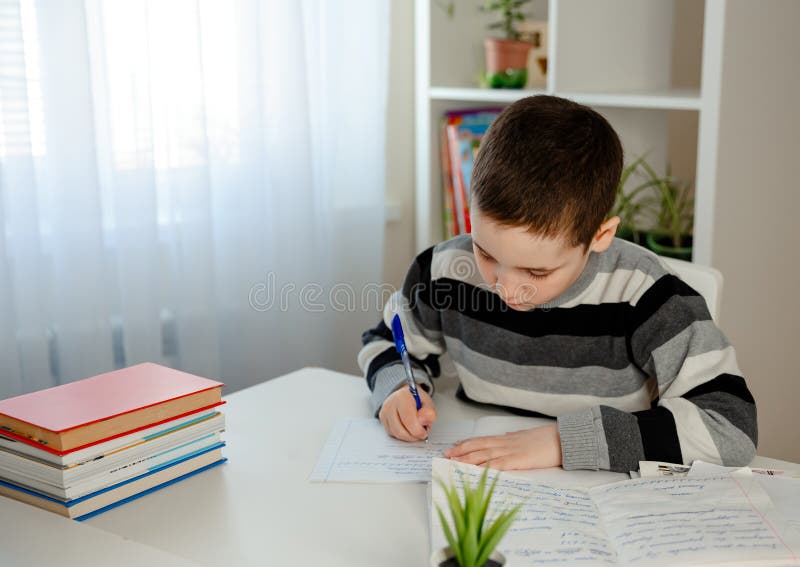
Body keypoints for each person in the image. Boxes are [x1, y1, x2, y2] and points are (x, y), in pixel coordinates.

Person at [358, 95, 756, 472]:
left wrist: (561, 443)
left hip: (601, 492)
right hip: (478, 472)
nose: (507, 289)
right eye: (487, 254)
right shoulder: (443, 271)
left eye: (537, 272)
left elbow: (729, 426)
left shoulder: (646, 294)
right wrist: (397, 390)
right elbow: (388, 343)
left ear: (599, 236)